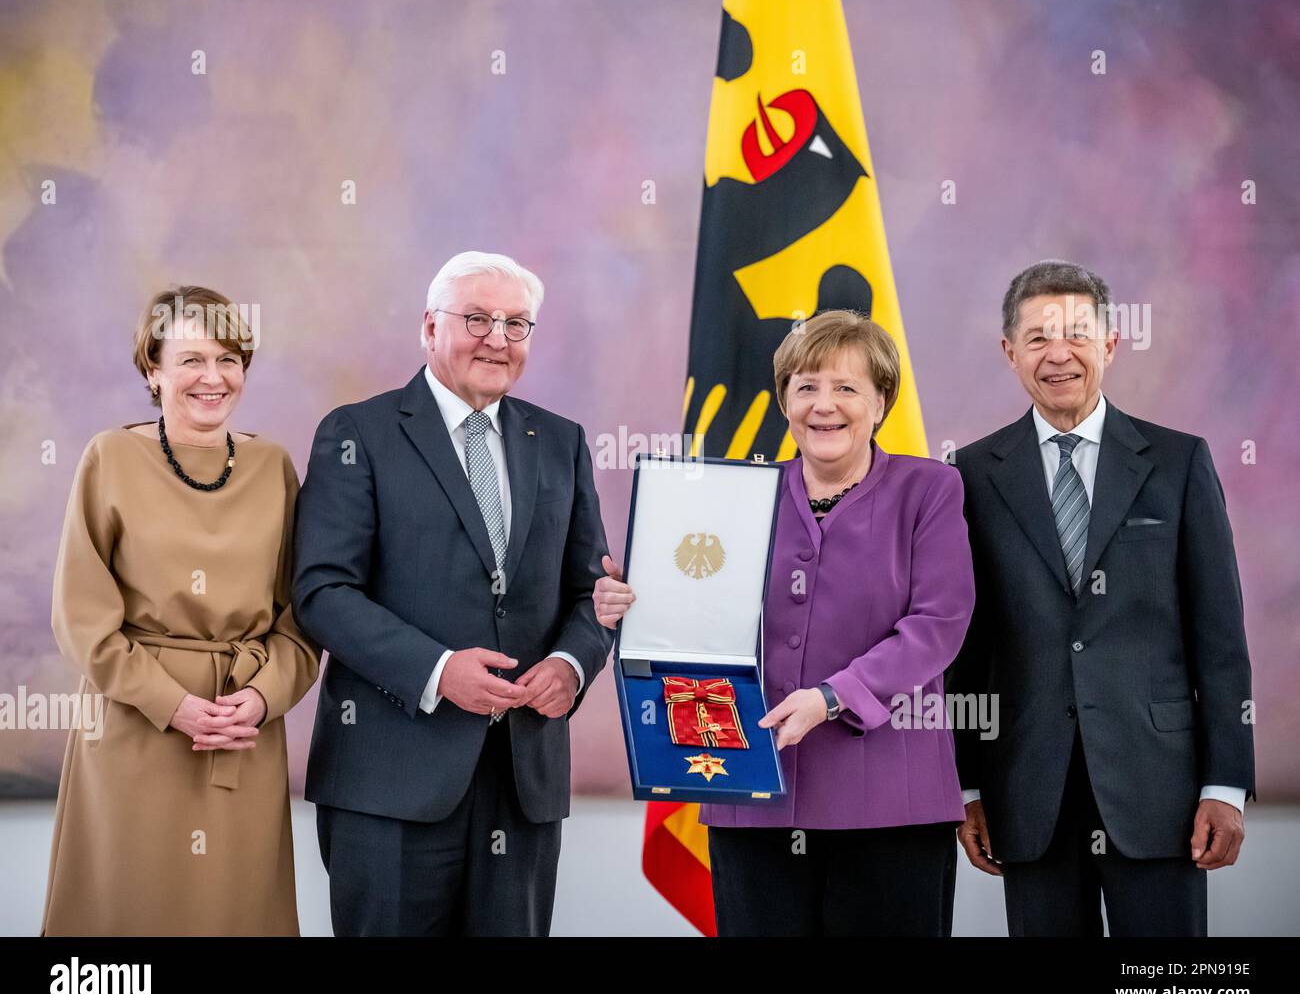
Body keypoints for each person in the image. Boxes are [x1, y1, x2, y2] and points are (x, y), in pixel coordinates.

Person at [595, 310, 975, 936]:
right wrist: (634, 607)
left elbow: (940, 623)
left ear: (881, 402)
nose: (824, 405)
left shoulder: (930, 489)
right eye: (806, 387)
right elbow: (694, 620)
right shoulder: (732, 497)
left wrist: (833, 698)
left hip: (890, 804)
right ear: (784, 402)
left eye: (846, 388)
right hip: (751, 794)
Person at [293, 251, 613, 937]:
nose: (497, 338)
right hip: (391, 784)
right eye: (477, 319)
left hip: (522, 780)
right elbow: (322, 591)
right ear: (429, 327)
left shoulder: (560, 441)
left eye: (516, 324)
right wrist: (439, 673)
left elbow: (595, 591)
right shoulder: (358, 434)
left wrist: (572, 664)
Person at [947, 259, 1255, 936]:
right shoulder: (968, 476)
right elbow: (964, 650)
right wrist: (968, 786)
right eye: (1036, 338)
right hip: (1027, 791)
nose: (1058, 354)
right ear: (1009, 352)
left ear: (1110, 344)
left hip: (1161, 791)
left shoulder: (1178, 463)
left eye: (1077, 334)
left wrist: (1225, 785)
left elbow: (1221, 640)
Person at [43, 285, 320, 936]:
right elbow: (81, 618)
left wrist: (258, 698)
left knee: (235, 909)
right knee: (126, 916)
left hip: (240, 733)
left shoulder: (273, 467)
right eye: (191, 359)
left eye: (229, 359)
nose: (213, 377)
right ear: (153, 369)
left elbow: (301, 620)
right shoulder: (109, 458)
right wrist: (174, 705)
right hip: (136, 732)